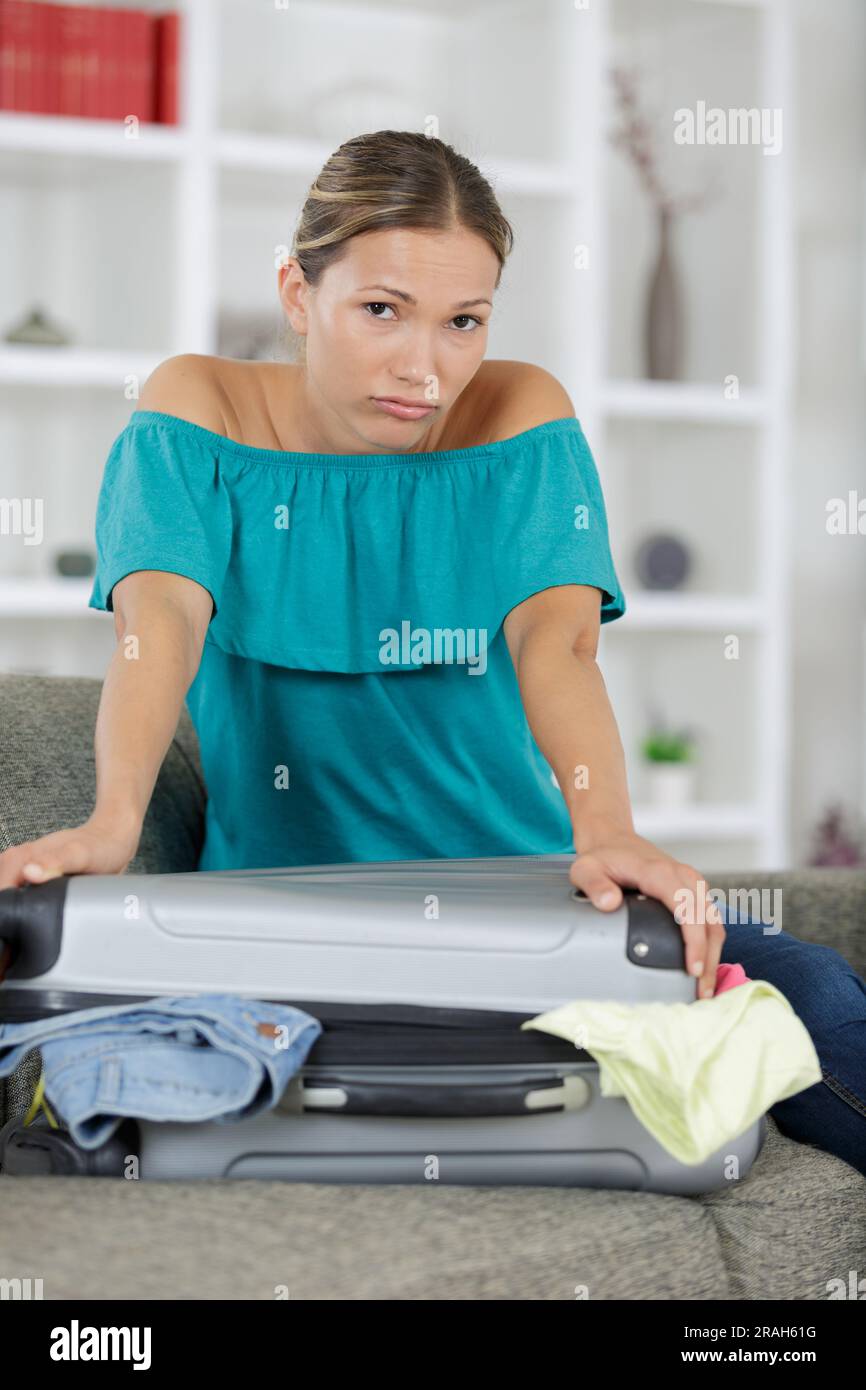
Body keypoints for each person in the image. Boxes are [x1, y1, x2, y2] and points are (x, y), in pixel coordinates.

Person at [0, 131, 863, 1176]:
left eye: (464, 322)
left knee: (810, 992)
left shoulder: (518, 413)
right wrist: (112, 820)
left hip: (541, 899)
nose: (425, 367)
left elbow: (559, 644)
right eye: (381, 310)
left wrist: (609, 831)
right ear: (295, 288)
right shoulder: (194, 414)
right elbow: (160, 625)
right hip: (289, 920)